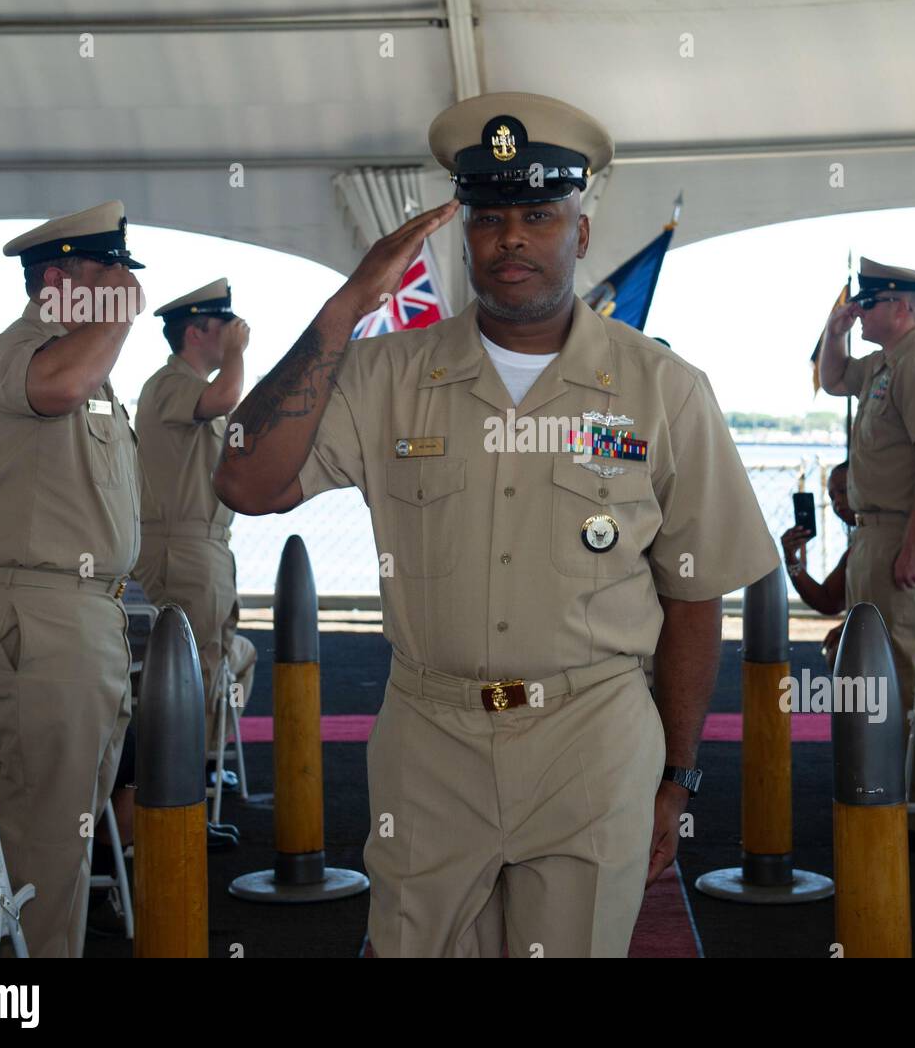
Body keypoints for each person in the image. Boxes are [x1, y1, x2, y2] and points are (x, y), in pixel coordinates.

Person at [213, 91, 779, 958]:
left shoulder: (662, 389)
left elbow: (695, 594)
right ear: (463, 235)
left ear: (580, 234)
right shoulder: (386, 373)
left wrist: (676, 776)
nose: (511, 237)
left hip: (591, 739)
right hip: (428, 744)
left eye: (540, 214)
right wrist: (348, 304)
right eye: (489, 217)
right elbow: (247, 478)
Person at [0, 201, 144, 958]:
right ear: (57, 279)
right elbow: (57, 386)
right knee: (45, 837)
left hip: (86, 616)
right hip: (40, 616)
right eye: (110, 273)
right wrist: (122, 310)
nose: (125, 287)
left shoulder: (87, 368)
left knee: (68, 830)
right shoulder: (16, 355)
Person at [819, 258, 915, 838]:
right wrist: (835, 331)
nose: (861, 310)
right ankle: (881, 797)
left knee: (898, 677)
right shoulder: (883, 363)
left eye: (869, 303)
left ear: (902, 307)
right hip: (875, 534)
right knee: (871, 674)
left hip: (903, 535)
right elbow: (831, 379)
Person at [132, 278, 256, 830]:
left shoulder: (191, 391)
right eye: (222, 325)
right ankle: (182, 798)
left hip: (206, 546)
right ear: (194, 331)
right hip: (181, 548)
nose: (232, 333)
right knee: (193, 671)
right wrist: (237, 354)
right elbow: (226, 398)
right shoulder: (169, 386)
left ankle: (198, 778)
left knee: (220, 663)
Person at [781, 461, 853, 667]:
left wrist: (846, 628)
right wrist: (791, 558)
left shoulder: (879, 543)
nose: (837, 501)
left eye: (844, 491)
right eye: (831, 496)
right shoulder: (858, 549)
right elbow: (827, 601)